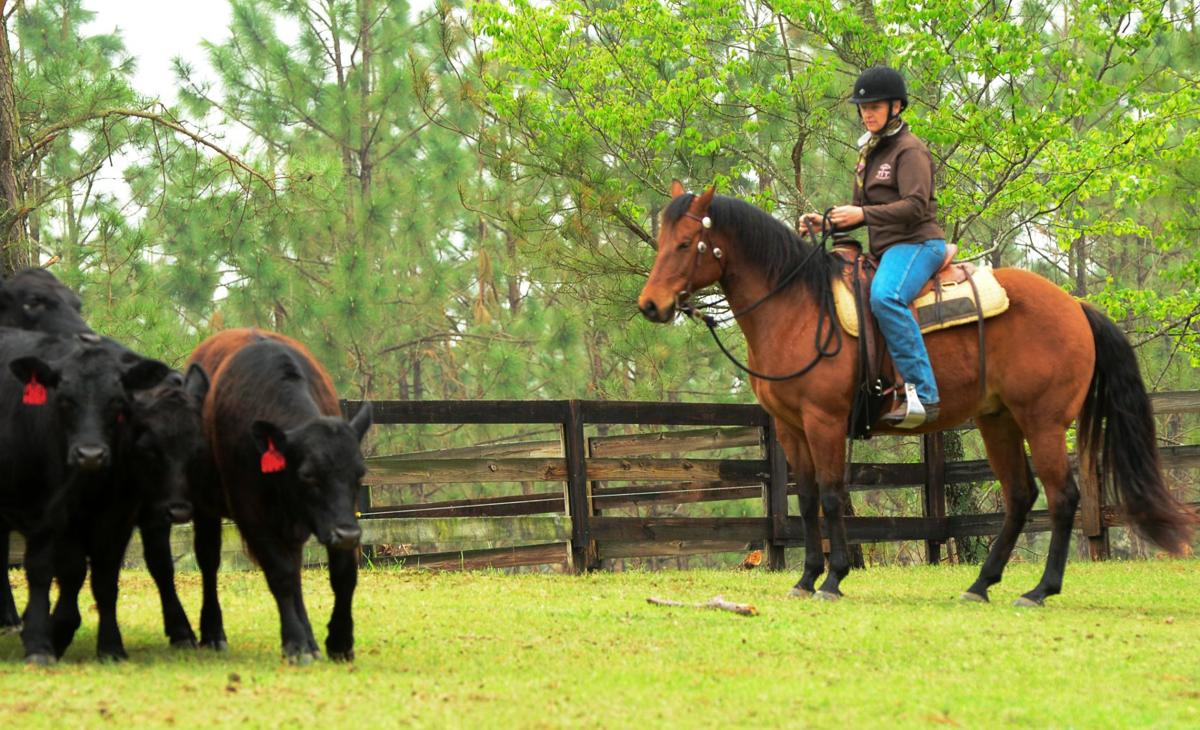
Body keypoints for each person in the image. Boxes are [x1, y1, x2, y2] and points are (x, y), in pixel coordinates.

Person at [803, 65, 946, 428]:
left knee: (886, 297)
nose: (867, 113)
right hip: (885, 249)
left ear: (896, 107)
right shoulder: (869, 153)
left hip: (917, 242)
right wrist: (828, 223)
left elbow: (916, 206)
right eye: (863, 107)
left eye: (875, 106)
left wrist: (863, 215)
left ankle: (924, 394)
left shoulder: (910, 150)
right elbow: (859, 211)